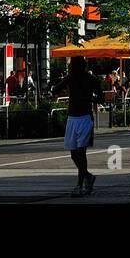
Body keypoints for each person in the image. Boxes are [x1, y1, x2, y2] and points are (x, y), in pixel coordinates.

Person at [52, 58, 99, 197]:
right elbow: (55, 90)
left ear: (80, 66)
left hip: (85, 117)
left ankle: (79, 185)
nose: (72, 68)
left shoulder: (90, 79)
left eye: (73, 65)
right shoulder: (70, 78)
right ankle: (88, 176)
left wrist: (89, 99)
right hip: (72, 117)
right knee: (74, 154)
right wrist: (63, 84)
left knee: (81, 152)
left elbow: (100, 96)